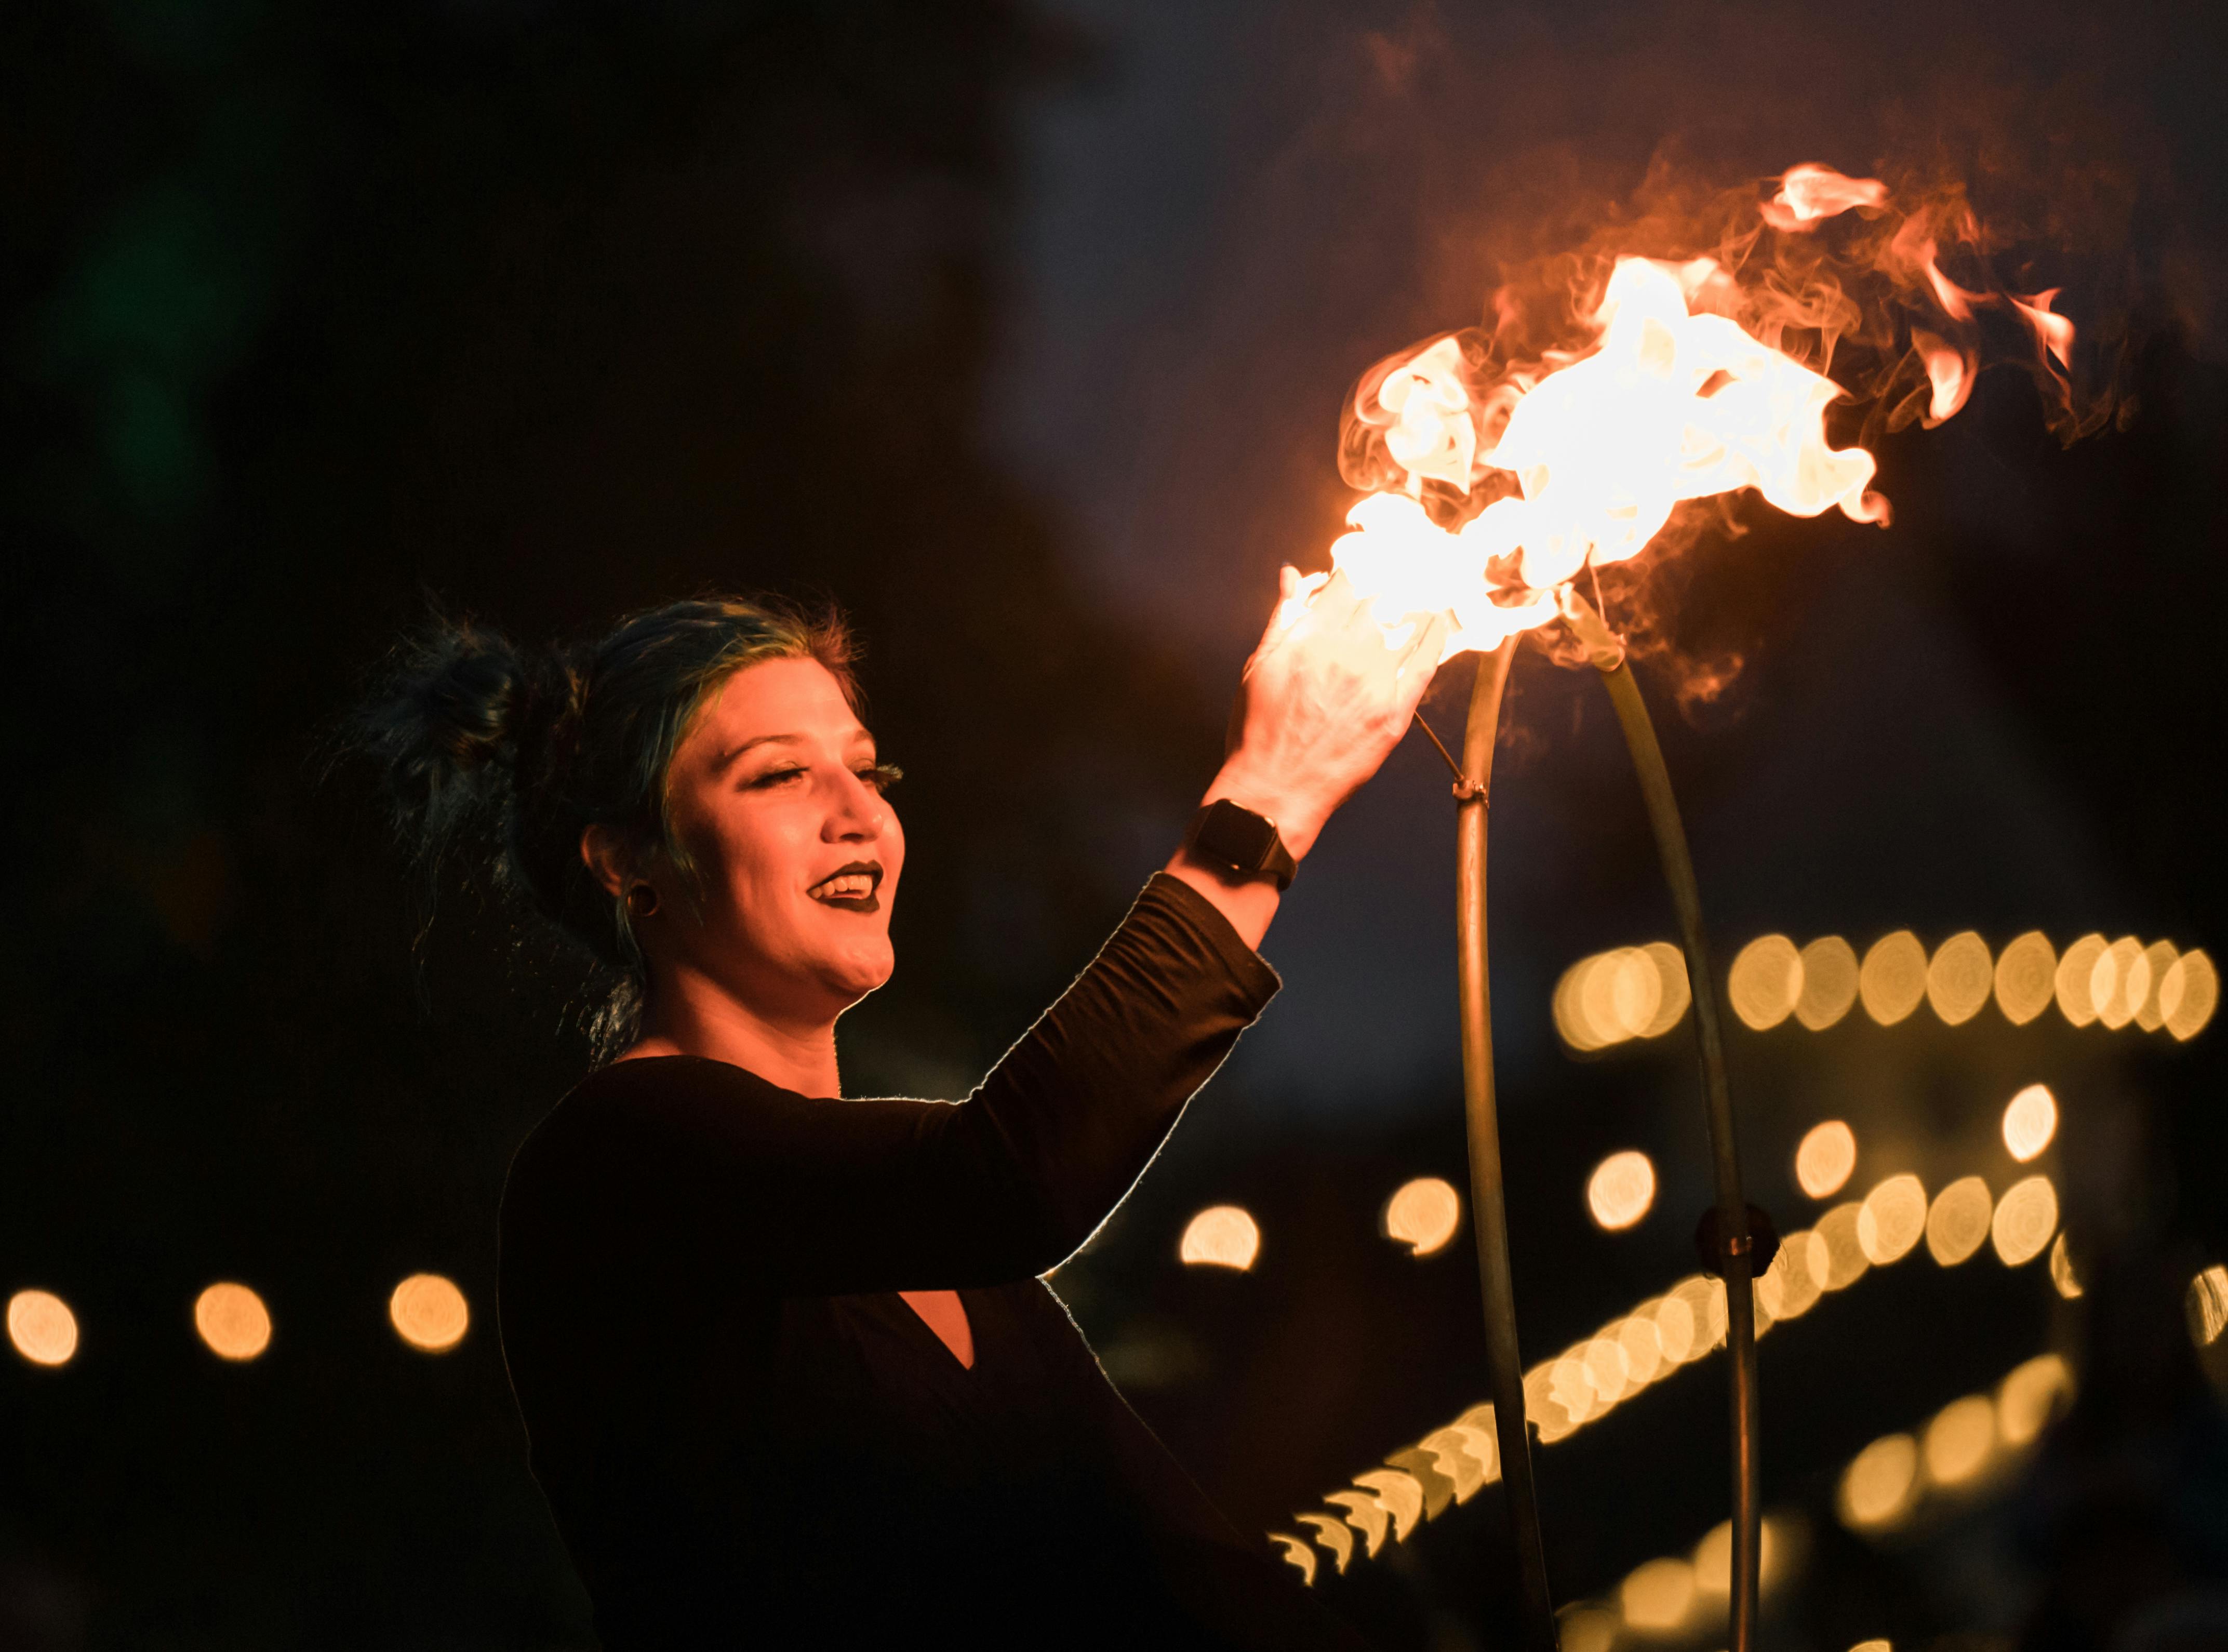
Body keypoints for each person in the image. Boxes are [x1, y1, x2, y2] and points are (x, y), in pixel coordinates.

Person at [358, 569, 1445, 1648]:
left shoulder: (984, 1287)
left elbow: (1195, 1584)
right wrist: (1270, 796)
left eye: (869, 773)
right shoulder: (614, 1165)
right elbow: (1009, 1175)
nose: (858, 816)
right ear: (630, 863)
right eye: (780, 777)